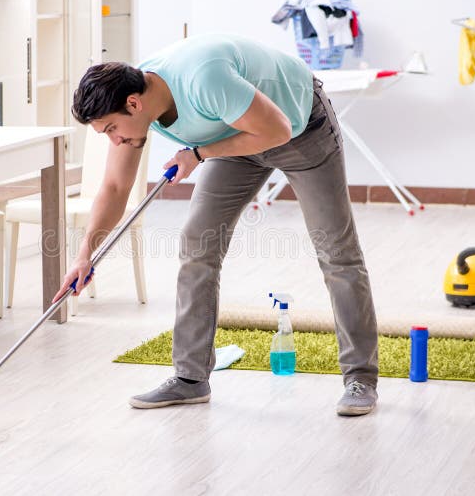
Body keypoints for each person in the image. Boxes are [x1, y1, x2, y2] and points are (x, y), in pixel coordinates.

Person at [56, 34, 379, 416]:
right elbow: (114, 187)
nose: (114, 138)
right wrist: (84, 254)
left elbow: (276, 130)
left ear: (133, 103)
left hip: (299, 126)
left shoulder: (202, 79)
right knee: (197, 245)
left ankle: (361, 378)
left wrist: (199, 153)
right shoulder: (133, 108)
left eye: (111, 129)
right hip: (233, 139)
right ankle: (190, 378)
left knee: (336, 250)